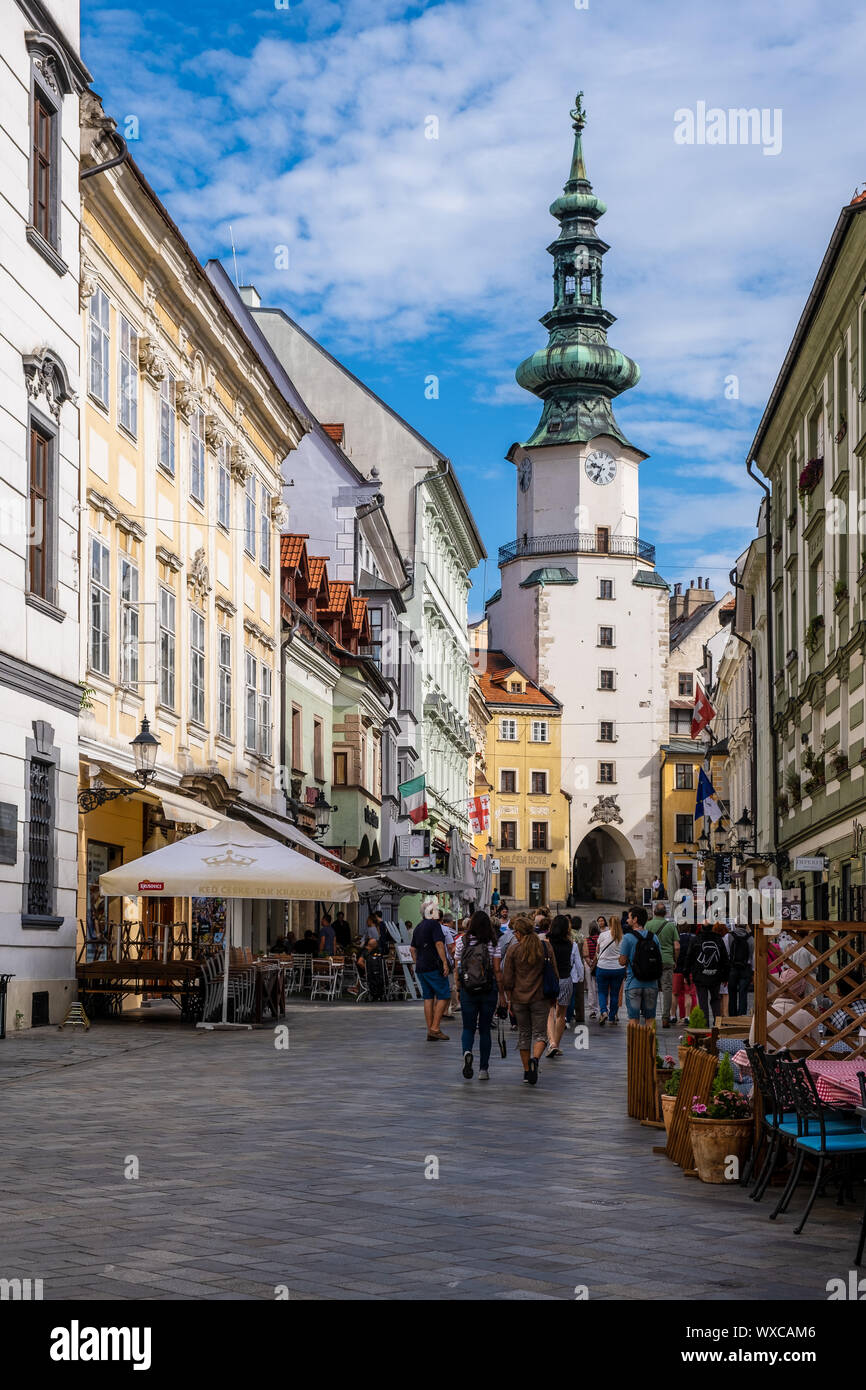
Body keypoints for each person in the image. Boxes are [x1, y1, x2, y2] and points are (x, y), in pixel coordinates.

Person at [501, 915, 558, 1085]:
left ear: (518, 933)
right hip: (541, 998)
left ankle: (527, 1071)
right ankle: (535, 1059)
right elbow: (554, 973)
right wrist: (553, 997)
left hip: (519, 999)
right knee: (540, 1034)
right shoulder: (545, 947)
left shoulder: (514, 950)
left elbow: (508, 979)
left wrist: (509, 1000)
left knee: (524, 1034)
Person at [455, 910, 505, 1080]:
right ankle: (483, 1069)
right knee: (484, 1030)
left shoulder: (463, 941)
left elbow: (458, 967)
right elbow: (497, 970)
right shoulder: (493, 942)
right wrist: (502, 995)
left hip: (468, 989)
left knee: (468, 1027)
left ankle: (467, 1052)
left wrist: (458, 986)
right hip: (488, 989)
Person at [410, 903, 452, 1040]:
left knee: (428, 997)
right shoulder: (434, 925)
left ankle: (431, 1030)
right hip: (433, 966)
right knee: (444, 994)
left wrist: (418, 962)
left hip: (421, 967)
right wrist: (445, 962)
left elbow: (412, 949)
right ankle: (435, 1028)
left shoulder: (418, 926)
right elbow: (439, 944)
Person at [618, 906, 663, 1023]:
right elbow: (659, 959)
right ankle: (651, 1042)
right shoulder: (654, 937)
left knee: (633, 1019)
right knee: (650, 1019)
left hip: (633, 983)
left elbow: (622, 961)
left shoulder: (627, 938)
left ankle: (634, 1042)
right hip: (651, 984)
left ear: (635, 919)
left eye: (629, 918)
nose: (627, 920)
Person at [546, 915, 583, 1057]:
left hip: (550, 980)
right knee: (561, 1014)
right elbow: (577, 963)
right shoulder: (571, 944)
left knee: (549, 1012)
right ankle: (556, 1044)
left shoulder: (546, 942)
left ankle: (552, 1043)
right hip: (566, 979)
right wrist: (579, 978)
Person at [686, 920, 729, 1024]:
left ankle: (704, 1026)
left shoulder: (696, 939)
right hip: (715, 975)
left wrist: (686, 973)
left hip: (700, 976)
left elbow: (689, 958)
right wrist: (725, 976)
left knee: (703, 1001)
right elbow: (725, 959)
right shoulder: (718, 939)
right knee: (716, 1000)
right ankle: (717, 1024)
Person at [646, 901, 679, 1028]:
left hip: (651, 961)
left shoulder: (648, 925)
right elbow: (676, 946)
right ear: (665, 913)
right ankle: (666, 1018)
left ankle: (650, 1017)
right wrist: (675, 960)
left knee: (651, 988)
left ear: (654, 912)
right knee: (667, 989)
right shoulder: (671, 926)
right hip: (667, 960)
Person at [594, 915, 625, 1025]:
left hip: (603, 967)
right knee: (615, 994)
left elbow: (597, 949)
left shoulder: (603, 935)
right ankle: (612, 1017)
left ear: (610, 924)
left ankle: (603, 1011)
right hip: (618, 968)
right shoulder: (623, 937)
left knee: (602, 992)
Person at [672, 924, 698, 1024]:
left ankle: (672, 1015)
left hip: (677, 969)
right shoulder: (694, 938)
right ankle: (687, 1016)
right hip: (690, 970)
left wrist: (675, 961)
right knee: (688, 994)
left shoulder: (676, 938)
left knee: (674, 994)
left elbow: (675, 950)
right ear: (689, 927)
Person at [727, 923, 753, 1016]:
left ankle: (732, 1015)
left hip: (732, 968)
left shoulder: (730, 936)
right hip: (745, 968)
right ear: (746, 925)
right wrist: (753, 971)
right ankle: (742, 1015)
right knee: (743, 993)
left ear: (736, 925)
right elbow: (752, 956)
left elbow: (727, 952)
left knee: (732, 993)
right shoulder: (750, 938)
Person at [566, 915, 585, 1027]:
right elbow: (579, 962)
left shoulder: (568, 936)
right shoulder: (581, 937)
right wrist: (581, 976)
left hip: (561, 973)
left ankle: (561, 1017)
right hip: (573, 974)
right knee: (573, 996)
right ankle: (569, 1017)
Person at [439, 912, 459, 1020]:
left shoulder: (431, 929)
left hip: (435, 963)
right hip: (447, 962)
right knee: (449, 988)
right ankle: (446, 1011)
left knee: (438, 988)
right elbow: (452, 948)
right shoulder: (449, 931)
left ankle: (437, 1010)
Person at [582, 922, 600, 1020]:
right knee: (600, 988)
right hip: (600, 965)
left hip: (590, 965)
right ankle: (602, 1009)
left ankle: (593, 1009)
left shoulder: (587, 940)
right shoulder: (601, 939)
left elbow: (585, 955)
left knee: (591, 988)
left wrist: (591, 965)